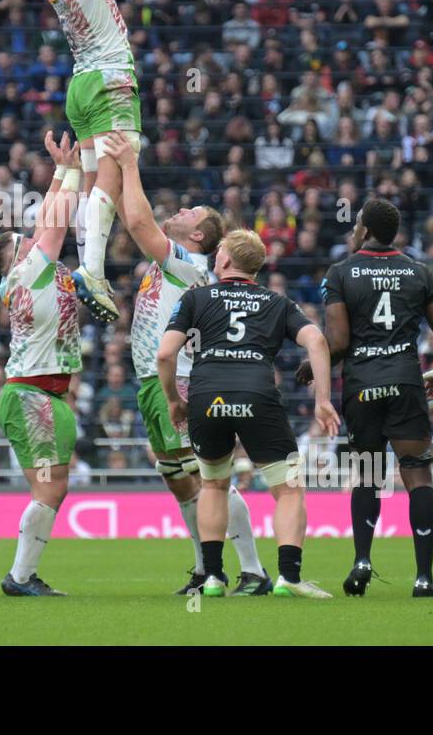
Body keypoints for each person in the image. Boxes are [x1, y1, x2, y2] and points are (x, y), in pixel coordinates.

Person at [109, 132, 270, 595]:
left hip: (178, 380)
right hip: (149, 379)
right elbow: (129, 215)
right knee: (178, 480)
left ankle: (253, 569)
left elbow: (139, 223)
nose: (178, 211)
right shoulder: (173, 258)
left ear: (198, 235)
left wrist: (129, 162)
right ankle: (205, 569)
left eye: (188, 213)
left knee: (208, 476)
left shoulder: (193, 263)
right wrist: (102, 167)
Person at [13, 0, 158, 323]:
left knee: (95, 180)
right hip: (110, 80)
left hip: (83, 84)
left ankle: (89, 269)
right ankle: (92, 271)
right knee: (112, 179)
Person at [158, 229, 340, 598]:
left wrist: (175, 400)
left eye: (219, 250)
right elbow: (317, 340)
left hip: (207, 395)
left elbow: (165, 354)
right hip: (257, 392)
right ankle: (288, 577)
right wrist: (323, 399)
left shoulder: (197, 298)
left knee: (213, 484)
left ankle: (212, 577)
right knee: (288, 490)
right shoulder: (277, 302)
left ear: (224, 260)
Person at [299, 198, 433, 597]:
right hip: (405, 383)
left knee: (368, 477)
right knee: (418, 475)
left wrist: (312, 366)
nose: (352, 230)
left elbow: (337, 343)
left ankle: (362, 560)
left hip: (363, 387)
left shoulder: (341, 273)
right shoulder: (419, 272)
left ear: (367, 230)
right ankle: (423, 578)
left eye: (356, 225)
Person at [0, 131, 81, 596]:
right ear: (13, 260)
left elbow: (47, 221)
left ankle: (24, 574)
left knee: (55, 488)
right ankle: (19, 577)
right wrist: (75, 172)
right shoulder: (27, 272)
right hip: (31, 394)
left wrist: (62, 169)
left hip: (45, 392)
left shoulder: (28, 273)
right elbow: (56, 223)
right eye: (22, 242)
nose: (32, 241)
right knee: (48, 489)